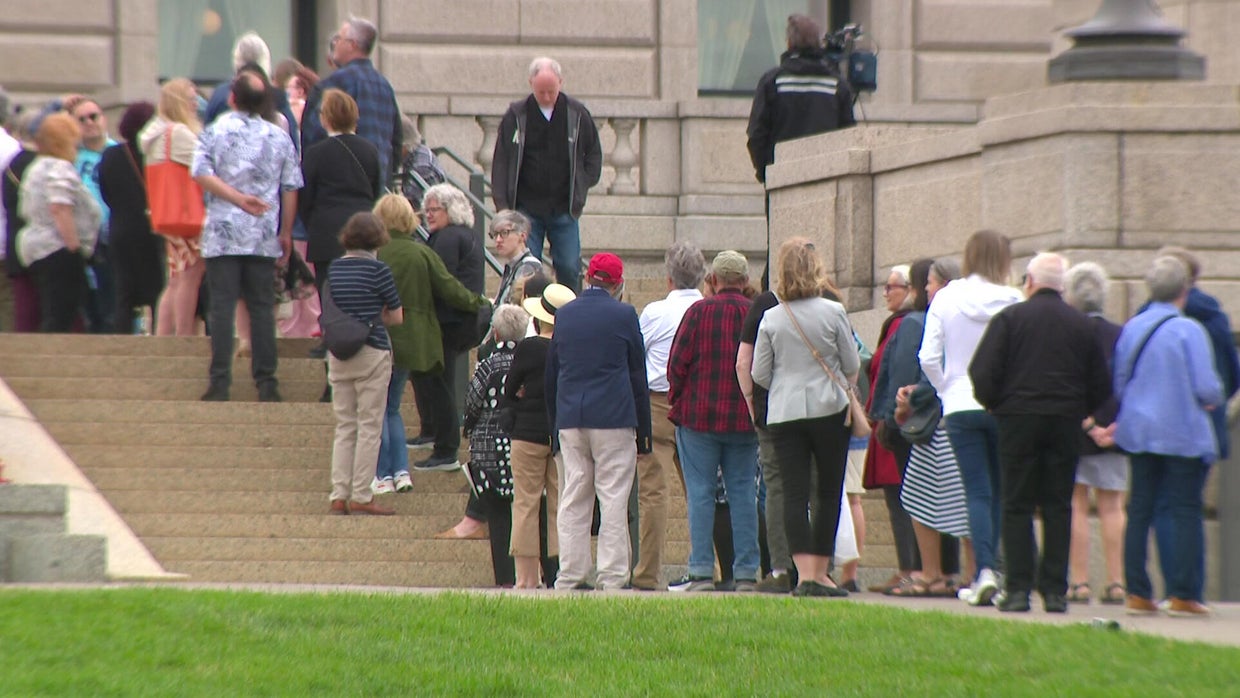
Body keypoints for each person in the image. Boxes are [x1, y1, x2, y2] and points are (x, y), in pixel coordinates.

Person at [969, 252, 1111, 613]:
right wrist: (1082, 409)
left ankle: (1018, 590)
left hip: (1018, 419)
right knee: (1058, 505)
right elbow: (1101, 382)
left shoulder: (1011, 319)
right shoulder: (1081, 325)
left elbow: (982, 372)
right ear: (1062, 286)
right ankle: (1054, 592)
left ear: (1029, 282)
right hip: (1065, 420)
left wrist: (995, 404)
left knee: (1016, 503)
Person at [751, 237, 860, 597]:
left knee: (792, 494)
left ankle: (804, 574)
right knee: (827, 492)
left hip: (784, 413)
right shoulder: (834, 312)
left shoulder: (771, 317)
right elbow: (851, 363)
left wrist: (785, 383)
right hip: (829, 408)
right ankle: (821, 573)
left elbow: (759, 374)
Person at [919, 230, 1022, 606]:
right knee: (1003, 491)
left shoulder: (947, 297)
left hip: (961, 402)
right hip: (1003, 405)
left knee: (977, 491)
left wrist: (947, 389)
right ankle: (1003, 570)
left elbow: (928, 357)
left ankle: (984, 573)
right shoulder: (1014, 298)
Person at [1114, 256, 1222, 617]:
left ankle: (1137, 592)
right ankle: (1182, 592)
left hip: (1139, 430)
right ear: (1184, 291)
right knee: (1184, 510)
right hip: (1182, 433)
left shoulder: (1132, 328)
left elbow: (1118, 381)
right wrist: (1211, 400)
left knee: (1140, 507)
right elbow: (1208, 388)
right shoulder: (1189, 330)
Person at [191, 73, 302, 402]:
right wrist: (286, 231)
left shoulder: (215, 131)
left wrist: (235, 199)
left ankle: (220, 381)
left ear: (231, 98)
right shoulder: (278, 136)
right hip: (263, 233)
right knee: (262, 308)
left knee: (222, 308)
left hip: (222, 234)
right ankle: (267, 382)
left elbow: (199, 173)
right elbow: (291, 187)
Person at [547, 252, 652, 590]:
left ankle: (572, 572)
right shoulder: (624, 315)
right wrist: (644, 433)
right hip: (614, 417)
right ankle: (611, 575)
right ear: (618, 284)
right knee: (613, 499)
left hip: (571, 417)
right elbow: (638, 375)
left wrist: (554, 426)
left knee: (574, 496)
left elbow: (553, 374)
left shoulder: (565, 314)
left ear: (588, 279)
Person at [371, 193, 487, 495]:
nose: (428, 214)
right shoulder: (420, 252)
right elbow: (450, 288)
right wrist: (481, 303)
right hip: (418, 336)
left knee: (382, 407)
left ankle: (384, 471)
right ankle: (420, 462)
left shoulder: (375, 253)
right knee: (409, 401)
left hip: (377, 336)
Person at [1149, 246, 1239, 607]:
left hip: (1161, 426)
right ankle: (1191, 591)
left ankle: (1175, 589)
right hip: (1204, 426)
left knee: (1164, 507)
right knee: (1190, 508)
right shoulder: (1215, 315)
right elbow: (1232, 375)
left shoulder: (1152, 317)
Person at [874, 258, 969, 597]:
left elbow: (907, 373)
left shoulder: (915, 323)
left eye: (926, 283)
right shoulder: (962, 318)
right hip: (957, 415)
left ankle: (927, 573)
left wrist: (897, 410)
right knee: (959, 497)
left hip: (924, 422)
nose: (924, 289)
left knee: (918, 496)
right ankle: (956, 573)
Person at [667, 250, 759, 592]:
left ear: (713, 280)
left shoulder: (698, 312)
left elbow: (676, 364)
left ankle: (701, 570)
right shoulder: (754, 313)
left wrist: (678, 398)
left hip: (698, 416)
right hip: (743, 419)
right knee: (743, 491)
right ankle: (747, 571)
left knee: (701, 493)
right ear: (746, 281)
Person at [491, 57, 602, 293]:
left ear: (561, 83)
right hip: (526, 208)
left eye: (551, 91)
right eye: (541, 91)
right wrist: (503, 205)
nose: (547, 97)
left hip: (564, 207)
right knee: (527, 269)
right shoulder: (516, 114)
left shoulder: (577, 114)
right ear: (531, 83)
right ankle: (531, 317)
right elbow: (501, 160)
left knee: (570, 266)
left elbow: (593, 154)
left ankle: (568, 314)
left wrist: (582, 183)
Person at [634, 241, 706, 590]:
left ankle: (647, 573)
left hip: (658, 403)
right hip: (699, 405)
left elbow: (636, 355)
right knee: (703, 491)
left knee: (654, 493)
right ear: (703, 277)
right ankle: (712, 568)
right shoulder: (708, 310)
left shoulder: (653, 312)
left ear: (669, 279)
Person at [325, 212, 403, 516]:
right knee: (369, 425)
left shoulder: (334, 269)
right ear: (378, 238)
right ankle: (361, 493)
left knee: (344, 425)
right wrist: (371, 318)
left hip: (338, 353)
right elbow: (396, 316)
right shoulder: (379, 271)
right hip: (372, 349)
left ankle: (338, 494)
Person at [1062, 262, 1127, 606]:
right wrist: (1111, 424)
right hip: (1115, 432)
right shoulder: (1121, 334)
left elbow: (1067, 382)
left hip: (1075, 429)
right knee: (1113, 506)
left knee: (1076, 504)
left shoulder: (1068, 333)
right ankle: (1117, 582)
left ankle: (1080, 582)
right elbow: (1126, 383)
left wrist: (1089, 424)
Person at [412, 183, 486, 472]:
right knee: (434, 380)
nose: (428, 215)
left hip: (449, 321)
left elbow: (440, 281)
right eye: (426, 209)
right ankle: (435, 435)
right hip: (461, 320)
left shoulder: (447, 238)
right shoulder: (464, 235)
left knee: (439, 384)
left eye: (435, 209)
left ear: (450, 210)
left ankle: (445, 448)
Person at [507, 282, 576, 588]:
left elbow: (510, 390)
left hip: (527, 433)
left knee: (525, 503)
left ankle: (526, 577)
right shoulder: (572, 349)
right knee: (561, 503)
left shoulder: (529, 347)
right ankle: (562, 570)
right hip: (561, 434)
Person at [463, 304, 533, 586]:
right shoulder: (529, 361)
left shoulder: (489, 363)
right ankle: (530, 573)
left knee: (498, 515)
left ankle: (504, 577)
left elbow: (472, 402)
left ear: (495, 332)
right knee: (526, 509)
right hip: (522, 442)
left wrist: (469, 427)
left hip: (488, 449)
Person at [746, 14, 856, 186]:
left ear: (789, 42)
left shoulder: (772, 82)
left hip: (782, 179)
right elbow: (849, 135)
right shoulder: (837, 84)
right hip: (826, 181)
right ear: (818, 43)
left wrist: (767, 173)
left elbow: (757, 134)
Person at [16, 112, 101, 331]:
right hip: (57, 248)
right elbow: (59, 206)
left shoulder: (37, 167)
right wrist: (73, 247)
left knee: (52, 310)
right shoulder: (59, 167)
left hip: (36, 247)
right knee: (61, 313)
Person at [864, 264, 920, 593]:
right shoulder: (896, 324)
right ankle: (905, 568)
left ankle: (911, 570)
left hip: (897, 422)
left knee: (902, 499)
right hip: (887, 422)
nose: (886, 293)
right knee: (896, 500)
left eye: (891, 287)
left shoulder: (906, 325)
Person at [300, 88, 382, 297]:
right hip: (363, 230)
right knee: (361, 294)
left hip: (326, 232)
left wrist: (313, 225)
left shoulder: (315, 153)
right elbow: (376, 191)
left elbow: (306, 198)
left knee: (329, 297)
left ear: (326, 118)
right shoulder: (370, 150)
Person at [302, 17, 402, 186]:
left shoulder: (335, 83)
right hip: (378, 186)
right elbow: (396, 140)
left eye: (338, 39)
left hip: (339, 186)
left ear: (352, 44)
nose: (335, 44)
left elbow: (312, 135)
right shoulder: (385, 86)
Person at [97, 101, 164, 333]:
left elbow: (105, 191)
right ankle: (158, 340)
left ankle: (122, 341)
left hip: (121, 229)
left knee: (123, 293)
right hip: (152, 228)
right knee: (158, 291)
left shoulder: (111, 154)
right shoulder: (156, 154)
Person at [63, 95, 117, 333]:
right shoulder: (70, 157)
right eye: (81, 119)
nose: (89, 122)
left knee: (112, 305)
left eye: (93, 116)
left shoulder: (118, 152)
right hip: (81, 239)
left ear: (103, 119)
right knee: (89, 308)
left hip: (112, 238)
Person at [203, 32, 299, 149]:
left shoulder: (220, 95)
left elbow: (206, 140)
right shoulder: (277, 97)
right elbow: (292, 147)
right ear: (265, 60)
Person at [3, 109, 41, 332]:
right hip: (26, 245)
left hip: (14, 241)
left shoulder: (15, 159)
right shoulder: (18, 156)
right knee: (19, 312)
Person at [397, 115, 446, 212]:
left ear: (403, 145)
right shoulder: (418, 153)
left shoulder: (421, 165)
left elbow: (411, 204)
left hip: (427, 217)